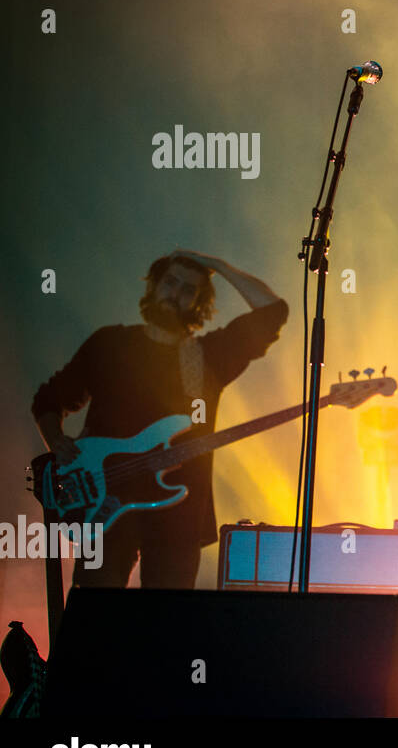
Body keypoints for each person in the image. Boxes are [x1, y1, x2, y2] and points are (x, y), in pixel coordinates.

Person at [31, 250, 288, 588]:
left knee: (166, 618)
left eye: (188, 290)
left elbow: (273, 312)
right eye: (170, 282)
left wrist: (218, 266)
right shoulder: (110, 344)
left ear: (199, 303)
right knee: (97, 614)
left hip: (178, 516)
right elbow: (48, 400)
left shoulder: (210, 356)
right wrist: (57, 442)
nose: (175, 293)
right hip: (103, 503)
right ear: (153, 286)